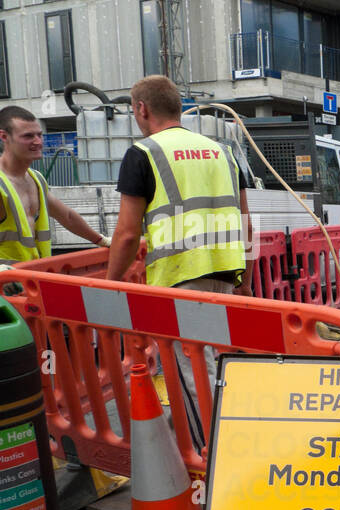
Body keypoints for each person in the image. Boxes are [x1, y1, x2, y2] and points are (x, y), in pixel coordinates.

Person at [104, 75, 250, 449]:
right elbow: (246, 219)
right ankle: (237, 442)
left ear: (141, 109)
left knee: (192, 377)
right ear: (179, 106)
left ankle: (214, 460)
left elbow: (125, 234)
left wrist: (108, 283)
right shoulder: (223, 151)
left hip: (180, 279)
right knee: (223, 367)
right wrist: (245, 280)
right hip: (226, 274)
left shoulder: (144, 153)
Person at [0, 106, 111, 263]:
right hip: (6, 282)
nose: (38, 142)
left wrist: (102, 241)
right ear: (4, 136)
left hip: (34, 277)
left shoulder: (36, 179)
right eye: (28, 136)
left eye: (39, 135)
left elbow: (67, 216)